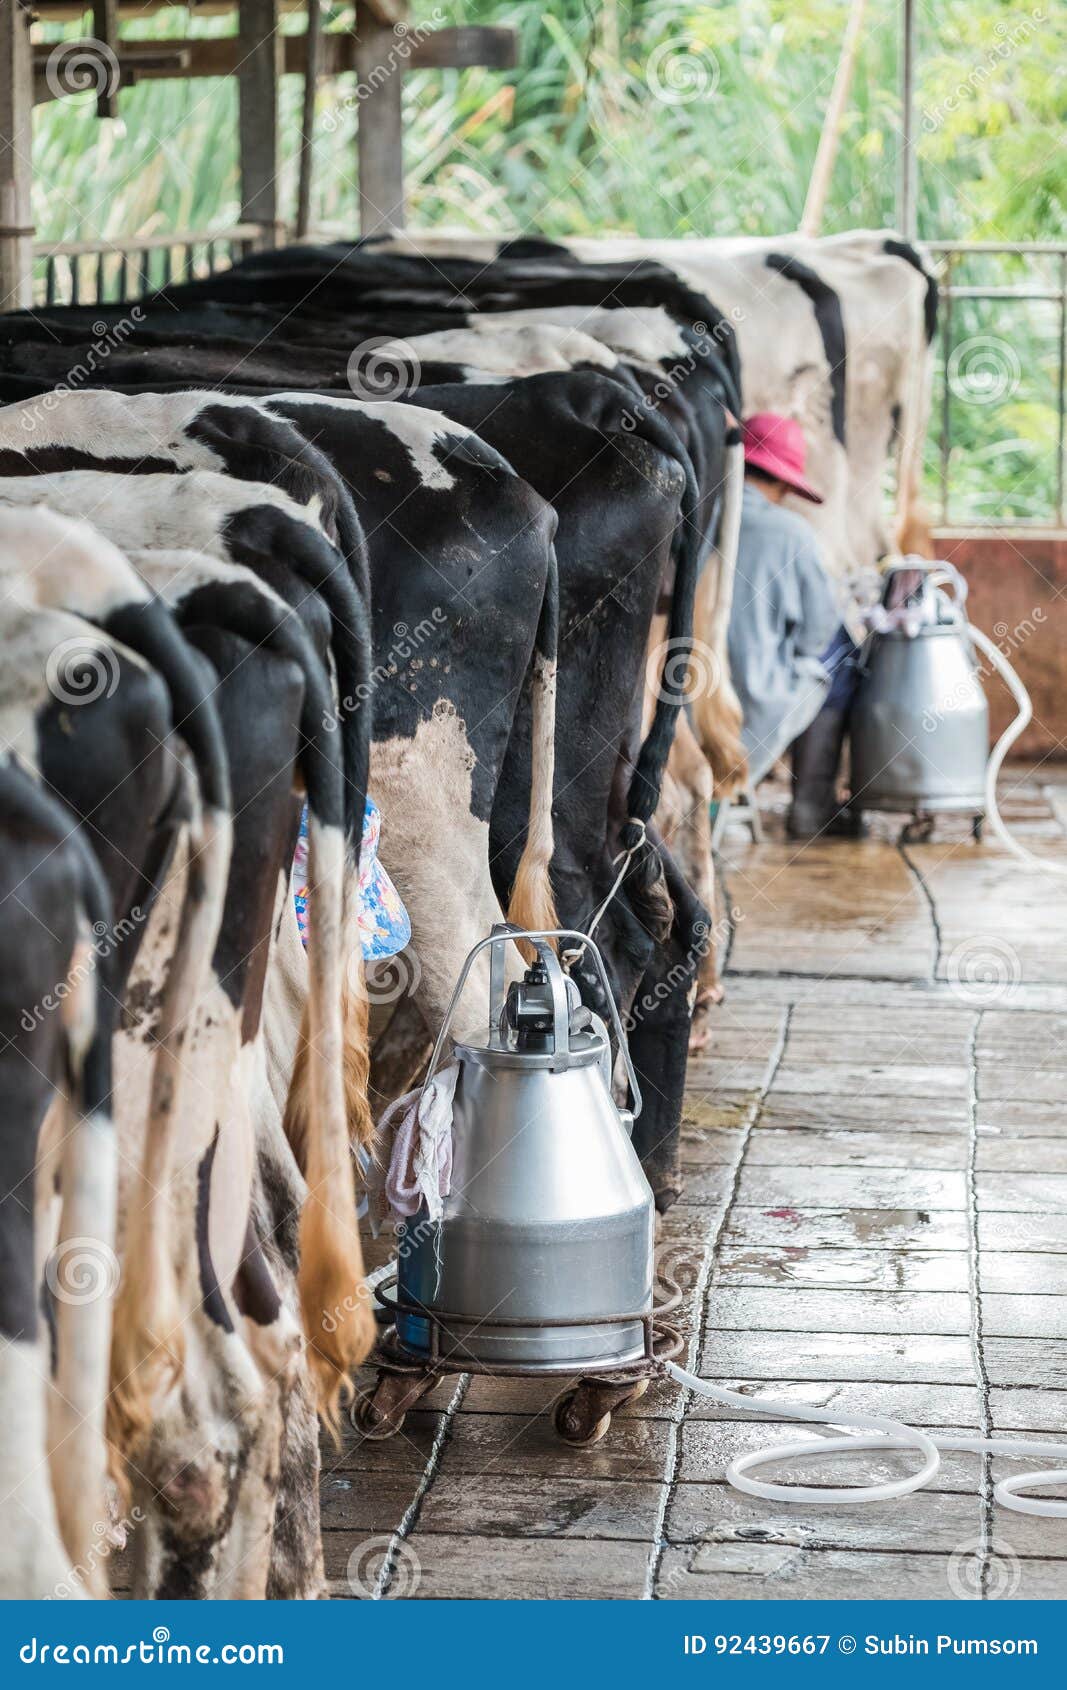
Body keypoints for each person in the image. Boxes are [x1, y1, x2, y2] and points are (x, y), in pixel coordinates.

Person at [727, 411, 860, 839]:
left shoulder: (694, 511)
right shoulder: (790, 532)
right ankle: (812, 806)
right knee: (842, 654)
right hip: (749, 700)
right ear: (784, 483)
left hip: (676, 687)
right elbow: (817, 630)